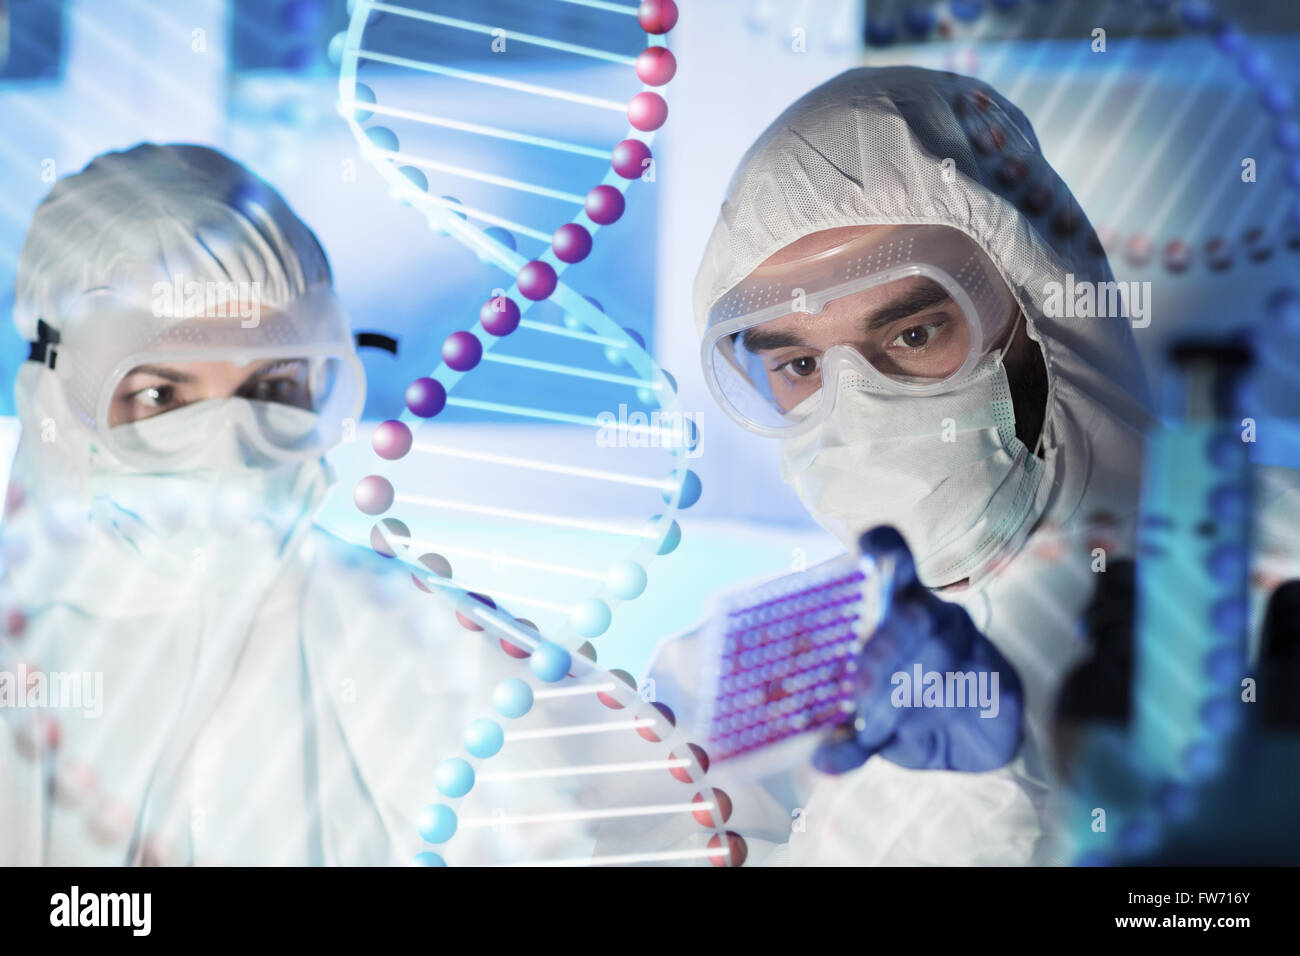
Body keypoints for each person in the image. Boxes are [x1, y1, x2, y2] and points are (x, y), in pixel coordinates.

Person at [644, 65, 1175, 865]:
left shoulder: (1266, 575)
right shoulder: (742, 673)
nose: (856, 412)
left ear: (1043, 315)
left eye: (915, 335)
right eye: (800, 366)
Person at [0, 143, 531, 865]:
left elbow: (638, 820)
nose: (229, 447)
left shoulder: (411, 645)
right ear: (53, 407)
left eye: (274, 389)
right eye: (161, 396)